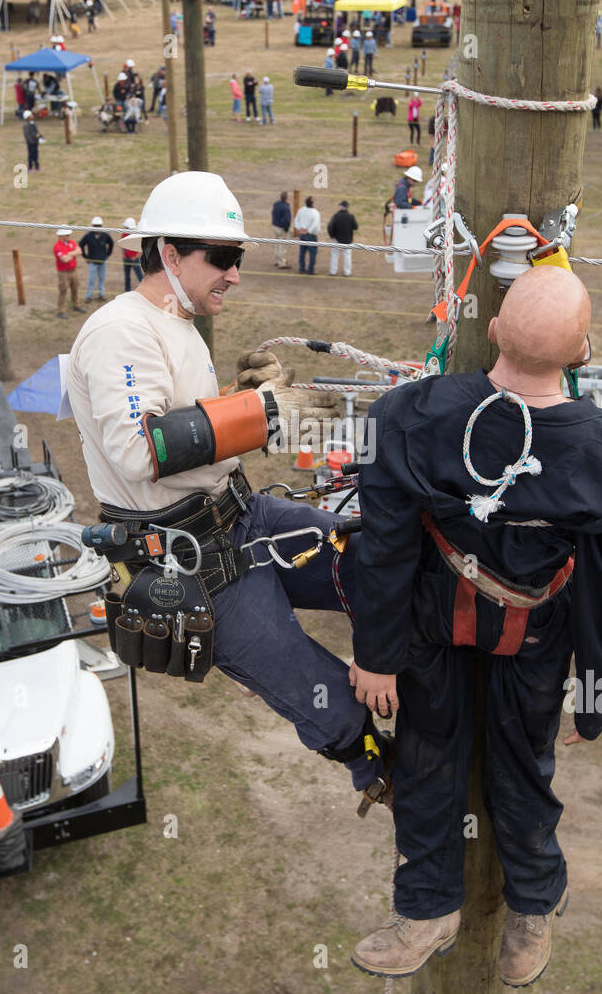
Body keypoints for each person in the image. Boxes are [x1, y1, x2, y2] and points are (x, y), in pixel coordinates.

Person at [349, 266, 602, 981]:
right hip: (525, 637)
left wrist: (375, 655)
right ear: (581, 354)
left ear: (489, 330)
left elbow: (384, 548)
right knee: (519, 768)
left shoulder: (405, 417)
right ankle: (525, 906)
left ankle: (436, 908)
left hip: (433, 629)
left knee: (430, 766)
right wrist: (600, 695)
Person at [65, 172, 388, 806]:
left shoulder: (177, 324)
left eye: (237, 259)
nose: (235, 274)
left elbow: (186, 430)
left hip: (245, 519)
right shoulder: (120, 333)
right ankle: (387, 772)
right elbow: (141, 448)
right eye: (222, 258)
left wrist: (239, 403)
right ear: (168, 254)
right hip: (195, 567)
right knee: (325, 696)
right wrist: (262, 413)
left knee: (381, 564)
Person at [80, 216, 114, 302]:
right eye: (95, 226)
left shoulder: (105, 235)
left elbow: (111, 244)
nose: (97, 227)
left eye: (99, 226)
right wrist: (85, 256)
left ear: (101, 226)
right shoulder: (88, 236)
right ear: (92, 226)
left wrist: (107, 254)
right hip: (92, 262)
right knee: (91, 280)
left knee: (102, 279)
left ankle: (101, 294)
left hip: (102, 262)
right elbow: (81, 244)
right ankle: (89, 296)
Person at [54, 228, 85, 319]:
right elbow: (64, 259)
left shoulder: (71, 242)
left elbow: (80, 251)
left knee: (75, 288)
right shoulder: (57, 246)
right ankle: (61, 310)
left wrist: (69, 254)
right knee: (63, 291)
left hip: (73, 270)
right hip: (63, 273)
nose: (69, 236)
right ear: (61, 236)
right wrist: (73, 254)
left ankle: (76, 305)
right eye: (67, 235)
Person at [327, 200, 358, 277]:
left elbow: (330, 227)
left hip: (336, 240)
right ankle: (347, 272)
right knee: (347, 257)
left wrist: (332, 236)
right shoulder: (351, 217)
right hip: (348, 240)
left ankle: (333, 271)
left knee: (334, 255)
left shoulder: (336, 216)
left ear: (341, 207)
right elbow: (356, 227)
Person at [294, 195, 321, 274]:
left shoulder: (301, 210)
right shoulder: (315, 212)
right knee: (312, 253)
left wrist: (300, 229)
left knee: (302, 252)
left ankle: (301, 268)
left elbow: (296, 220)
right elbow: (315, 223)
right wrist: (308, 230)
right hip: (311, 235)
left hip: (302, 234)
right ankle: (311, 270)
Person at [120, 217, 144, 291]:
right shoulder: (124, 235)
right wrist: (123, 255)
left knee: (139, 275)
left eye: (126, 227)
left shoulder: (137, 235)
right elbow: (122, 245)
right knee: (127, 276)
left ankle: (144, 289)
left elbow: (142, 247)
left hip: (135, 259)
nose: (125, 228)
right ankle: (127, 290)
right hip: (127, 259)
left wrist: (136, 256)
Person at [271, 191, 292, 268]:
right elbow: (286, 221)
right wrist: (286, 229)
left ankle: (277, 260)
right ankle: (281, 263)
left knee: (277, 244)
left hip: (275, 226)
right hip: (281, 228)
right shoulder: (286, 208)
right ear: (287, 198)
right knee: (282, 245)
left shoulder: (276, 204)